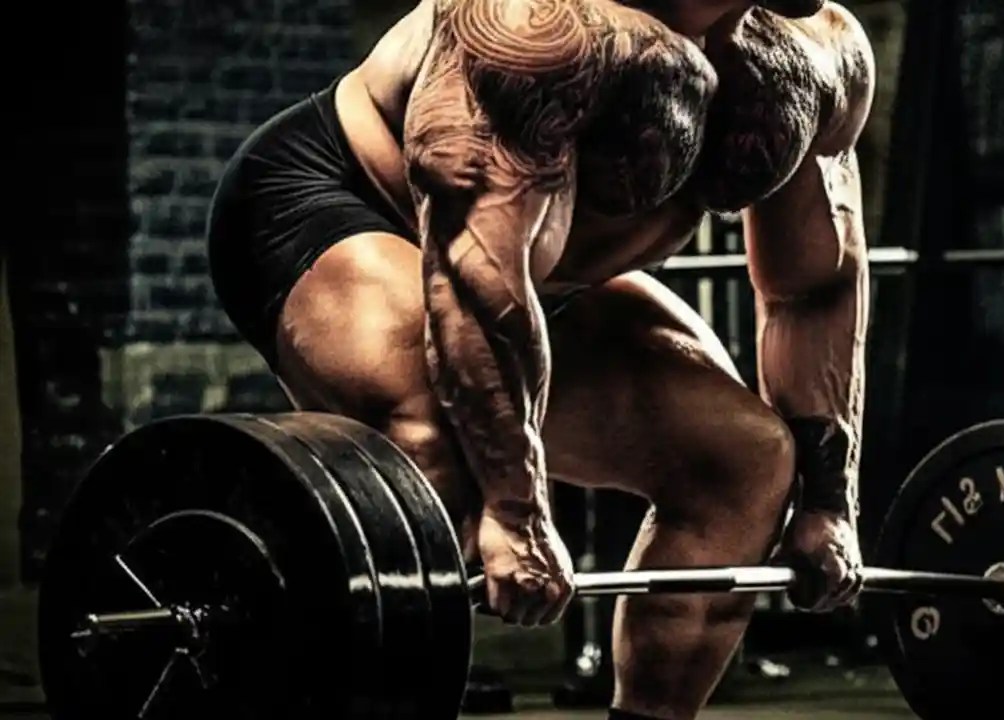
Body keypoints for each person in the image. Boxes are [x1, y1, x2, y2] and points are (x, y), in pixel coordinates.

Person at [206, 0, 874, 715]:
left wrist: (831, 503)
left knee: (747, 462)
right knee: (436, 429)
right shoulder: (534, 25)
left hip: (535, 270)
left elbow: (816, 287)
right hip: (342, 204)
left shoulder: (821, 51)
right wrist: (515, 512)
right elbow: (472, 278)